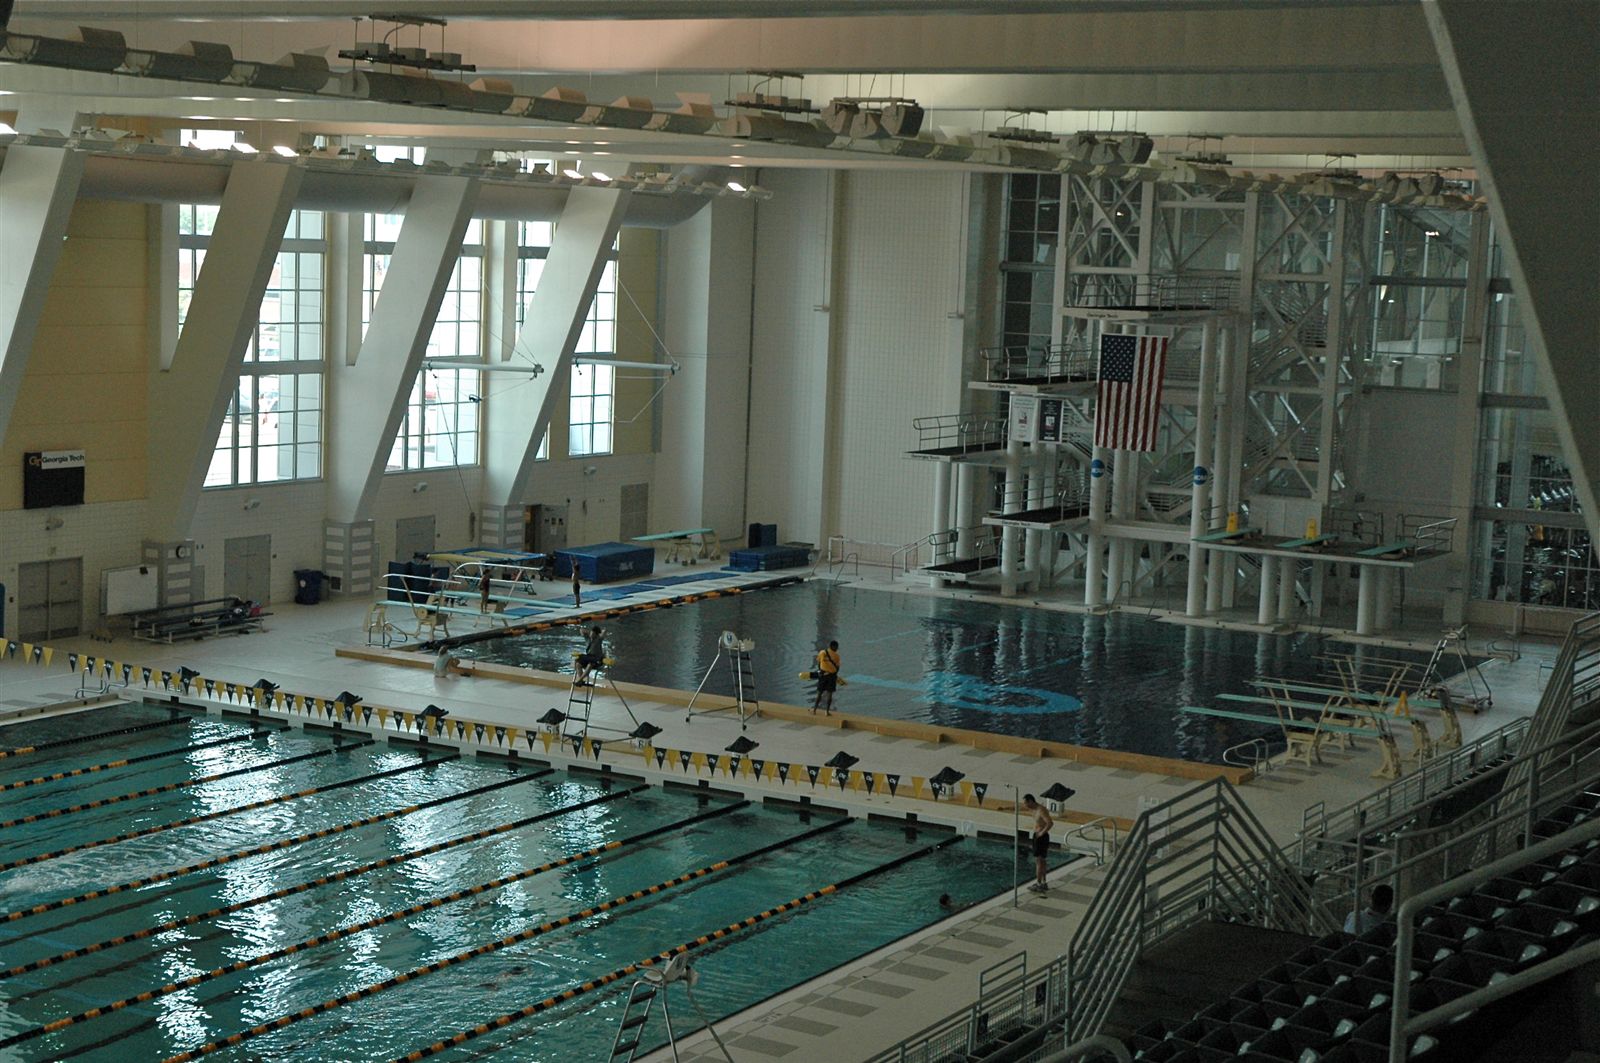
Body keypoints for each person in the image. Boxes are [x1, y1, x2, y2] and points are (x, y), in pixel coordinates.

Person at [1023, 794, 1054, 893]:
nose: (1025, 805)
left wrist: (1041, 833)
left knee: (1039, 861)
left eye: (1026, 803)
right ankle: (1044, 883)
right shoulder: (1034, 809)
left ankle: (1039, 883)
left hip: (1041, 837)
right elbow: (1019, 808)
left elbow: (1050, 823)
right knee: (1042, 861)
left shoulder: (1041, 810)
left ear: (1031, 801)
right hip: (1038, 836)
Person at [813, 640, 841, 716]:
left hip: (823, 675)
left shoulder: (822, 652)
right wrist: (835, 674)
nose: (837, 649)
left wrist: (820, 671)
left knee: (819, 693)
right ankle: (827, 712)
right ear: (833, 647)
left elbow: (819, 662)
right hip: (831, 677)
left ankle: (814, 710)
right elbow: (837, 668)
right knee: (829, 694)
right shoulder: (837, 656)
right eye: (836, 647)